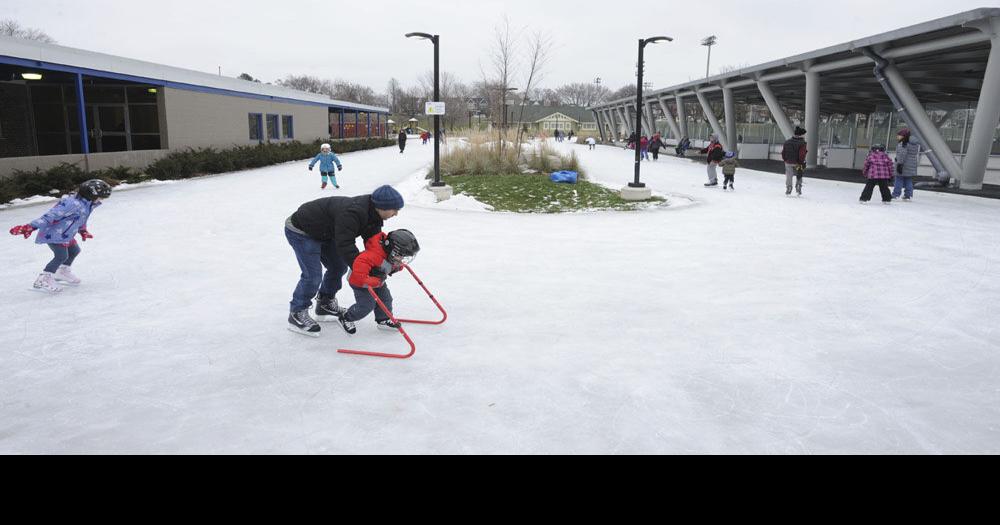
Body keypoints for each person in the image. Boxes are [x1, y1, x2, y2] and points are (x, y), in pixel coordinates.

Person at [284, 185, 405, 337]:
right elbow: (345, 245)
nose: (396, 214)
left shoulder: (375, 216)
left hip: (328, 232)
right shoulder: (352, 213)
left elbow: (374, 245)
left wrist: (386, 263)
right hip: (302, 231)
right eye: (394, 209)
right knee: (313, 276)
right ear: (382, 206)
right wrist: (362, 267)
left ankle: (325, 303)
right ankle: (297, 312)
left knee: (338, 267)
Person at [8, 179, 112, 293]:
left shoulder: (87, 204)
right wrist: (31, 227)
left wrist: (83, 230)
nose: (101, 199)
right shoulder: (71, 203)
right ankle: (43, 279)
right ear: (90, 194)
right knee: (61, 256)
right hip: (54, 234)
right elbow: (50, 216)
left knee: (74, 251)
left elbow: (82, 218)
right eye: (100, 197)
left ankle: (62, 272)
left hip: (65, 233)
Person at [336, 229, 420, 334]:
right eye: (400, 255)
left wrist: (395, 268)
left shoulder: (390, 255)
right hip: (360, 283)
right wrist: (374, 281)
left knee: (386, 299)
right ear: (392, 249)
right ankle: (346, 317)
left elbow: (388, 266)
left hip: (378, 281)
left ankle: (383, 319)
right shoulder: (371, 256)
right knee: (366, 304)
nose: (401, 258)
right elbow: (359, 276)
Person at [893, 128, 920, 202]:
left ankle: (895, 194)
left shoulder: (903, 144)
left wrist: (899, 164)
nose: (897, 137)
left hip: (903, 165)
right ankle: (908, 195)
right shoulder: (914, 144)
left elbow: (902, 155)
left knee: (898, 179)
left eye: (899, 135)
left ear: (904, 136)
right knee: (908, 180)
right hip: (911, 165)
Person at [782, 126, 808, 196]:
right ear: (801, 135)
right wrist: (801, 162)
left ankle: (789, 188)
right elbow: (802, 154)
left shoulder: (787, 142)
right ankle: (798, 187)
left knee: (789, 175)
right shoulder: (802, 143)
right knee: (799, 174)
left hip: (788, 162)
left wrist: (785, 159)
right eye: (804, 134)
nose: (804, 135)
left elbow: (783, 152)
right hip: (798, 162)